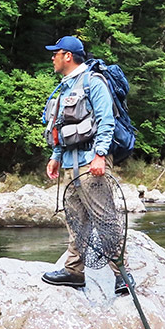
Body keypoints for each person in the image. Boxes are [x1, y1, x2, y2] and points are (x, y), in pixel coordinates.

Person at [40, 35, 128, 296]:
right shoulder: (66, 86)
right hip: (69, 164)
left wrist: (100, 154)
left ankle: (122, 276)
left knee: (105, 219)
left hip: (92, 164)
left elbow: (106, 121)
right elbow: (60, 126)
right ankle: (74, 271)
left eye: (55, 53)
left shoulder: (93, 81)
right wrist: (56, 155)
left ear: (68, 55)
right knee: (76, 220)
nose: (52, 57)